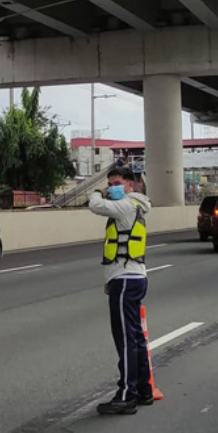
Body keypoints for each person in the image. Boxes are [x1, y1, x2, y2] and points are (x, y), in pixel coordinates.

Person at [89, 167, 152, 415]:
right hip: (128, 276)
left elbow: (95, 205)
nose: (111, 187)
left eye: (116, 183)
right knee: (135, 337)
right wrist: (110, 279)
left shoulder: (126, 206)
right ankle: (144, 389)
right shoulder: (134, 206)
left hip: (126, 279)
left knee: (126, 339)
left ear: (130, 186)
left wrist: (97, 191)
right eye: (109, 183)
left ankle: (127, 394)